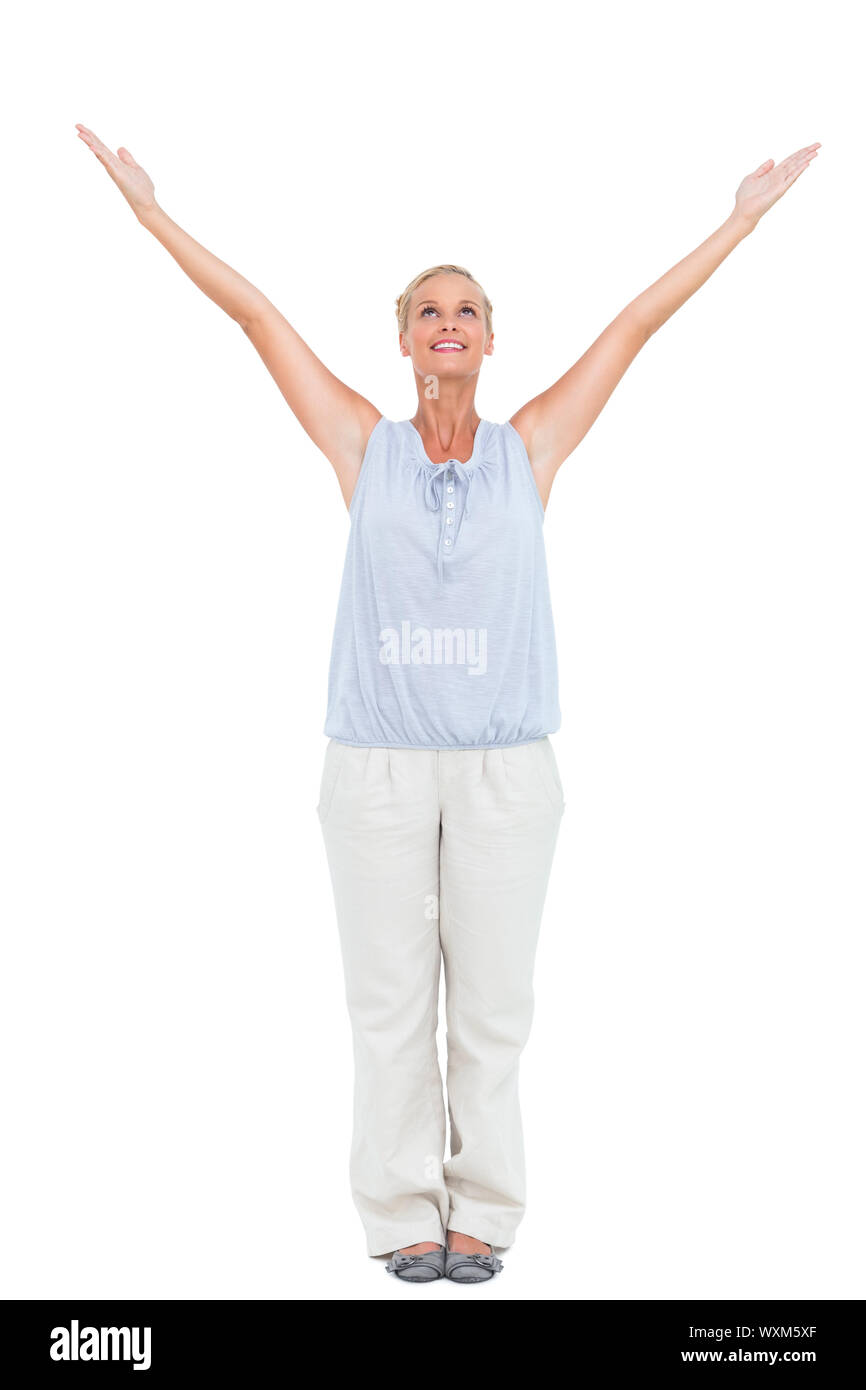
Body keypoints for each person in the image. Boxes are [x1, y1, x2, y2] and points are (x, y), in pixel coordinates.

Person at [74, 125, 820, 1285]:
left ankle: (485, 1210)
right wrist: (149, 212)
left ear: (488, 340)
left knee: (490, 1014)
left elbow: (631, 325)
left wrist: (737, 220)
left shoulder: (530, 449)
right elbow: (258, 318)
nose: (449, 323)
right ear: (405, 342)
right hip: (372, 767)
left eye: (467, 308)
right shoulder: (359, 446)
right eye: (428, 310)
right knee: (385, 1010)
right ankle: (395, 1216)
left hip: (503, 772)